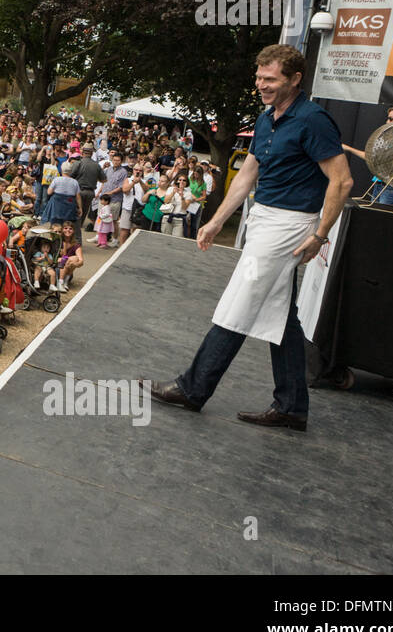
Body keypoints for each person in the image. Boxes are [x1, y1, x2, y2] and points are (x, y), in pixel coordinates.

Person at [143, 45, 351, 432]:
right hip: (264, 219)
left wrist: (320, 235)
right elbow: (246, 174)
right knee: (280, 316)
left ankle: (193, 389)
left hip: (289, 225)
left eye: (270, 79)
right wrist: (215, 220)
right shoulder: (266, 117)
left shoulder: (314, 120)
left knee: (239, 303)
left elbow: (342, 180)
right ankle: (291, 406)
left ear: (294, 79)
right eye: (259, 78)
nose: (261, 85)